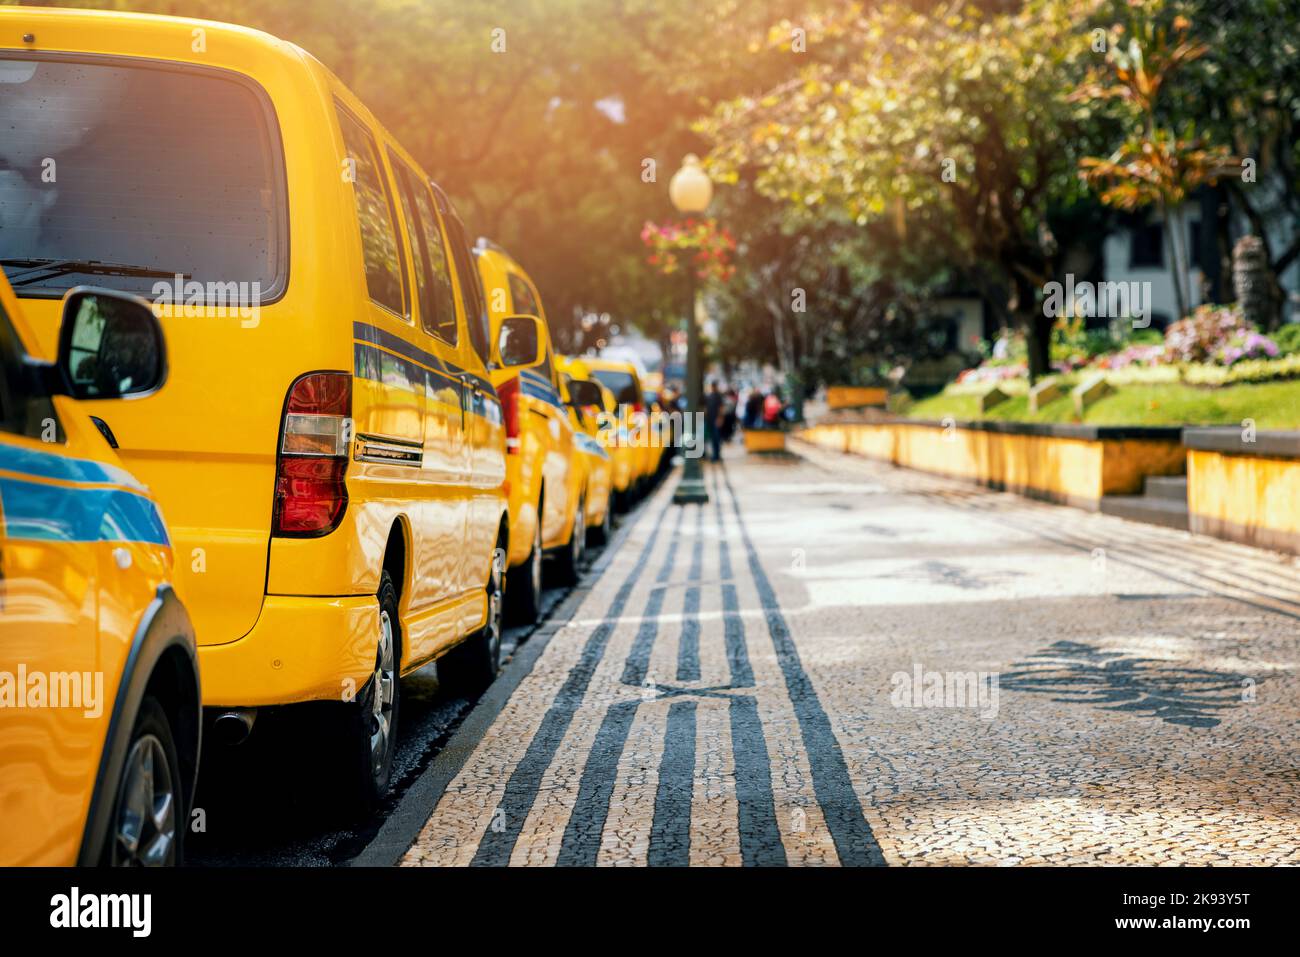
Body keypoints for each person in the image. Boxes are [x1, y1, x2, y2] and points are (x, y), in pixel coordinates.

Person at [704, 380, 725, 462]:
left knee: (716, 438)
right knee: (712, 438)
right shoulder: (710, 396)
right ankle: (715, 455)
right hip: (710, 420)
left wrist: (720, 418)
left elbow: (721, 408)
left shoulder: (718, 396)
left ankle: (716, 455)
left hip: (715, 420)